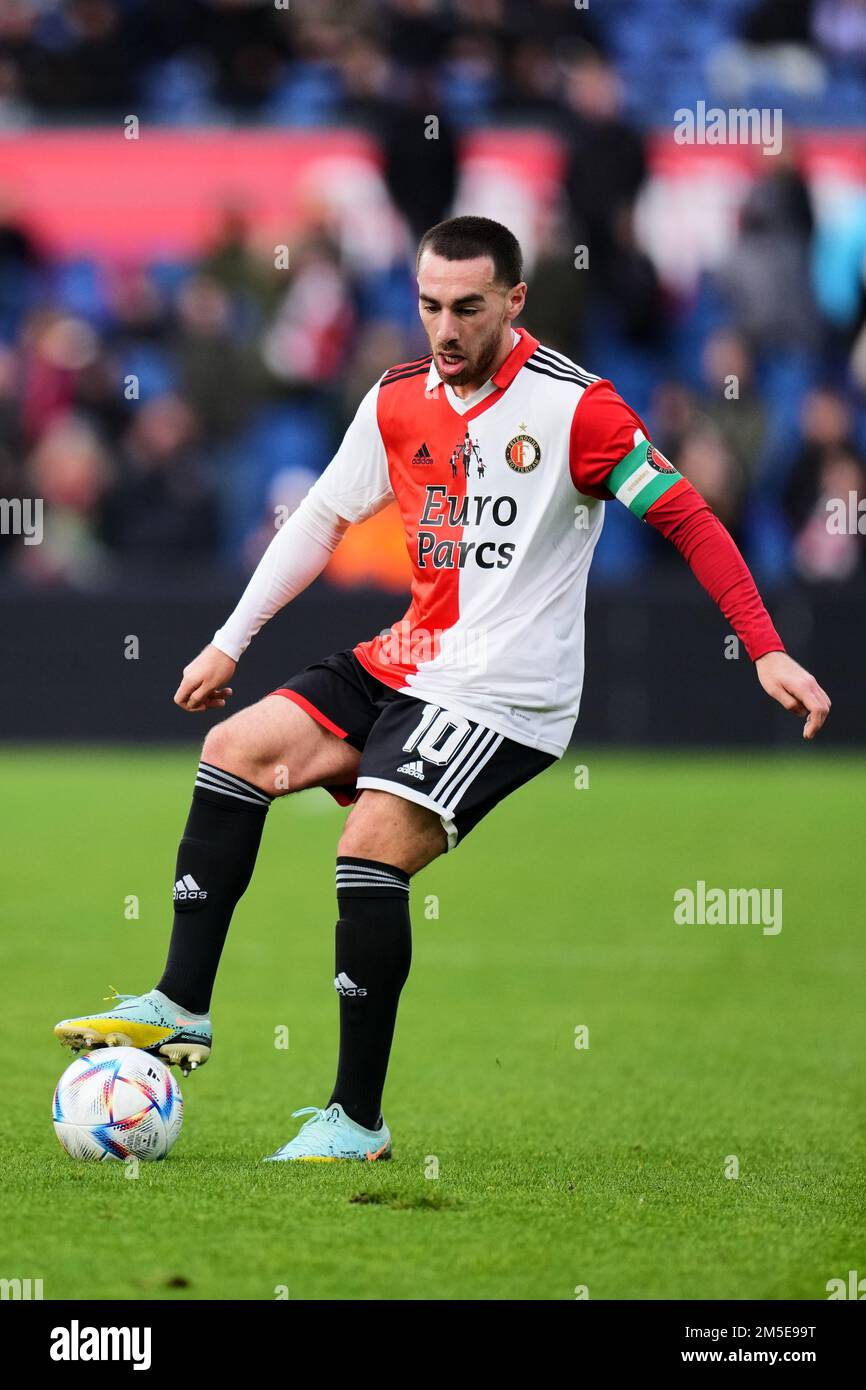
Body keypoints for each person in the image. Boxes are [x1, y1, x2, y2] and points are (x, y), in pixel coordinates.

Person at [53, 216, 831, 1162]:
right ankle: (182, 1005)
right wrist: (228, 642)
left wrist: (765, 648)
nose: (446, 329)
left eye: (468, 307)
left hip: (506, 692)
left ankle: (355, 1121)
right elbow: (321, 518)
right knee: (235, 751)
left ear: (514, 301)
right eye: (429, 306)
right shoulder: (396, 399)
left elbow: (690, 520)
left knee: (367, 851)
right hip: (409, 657)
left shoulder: (577, 409)